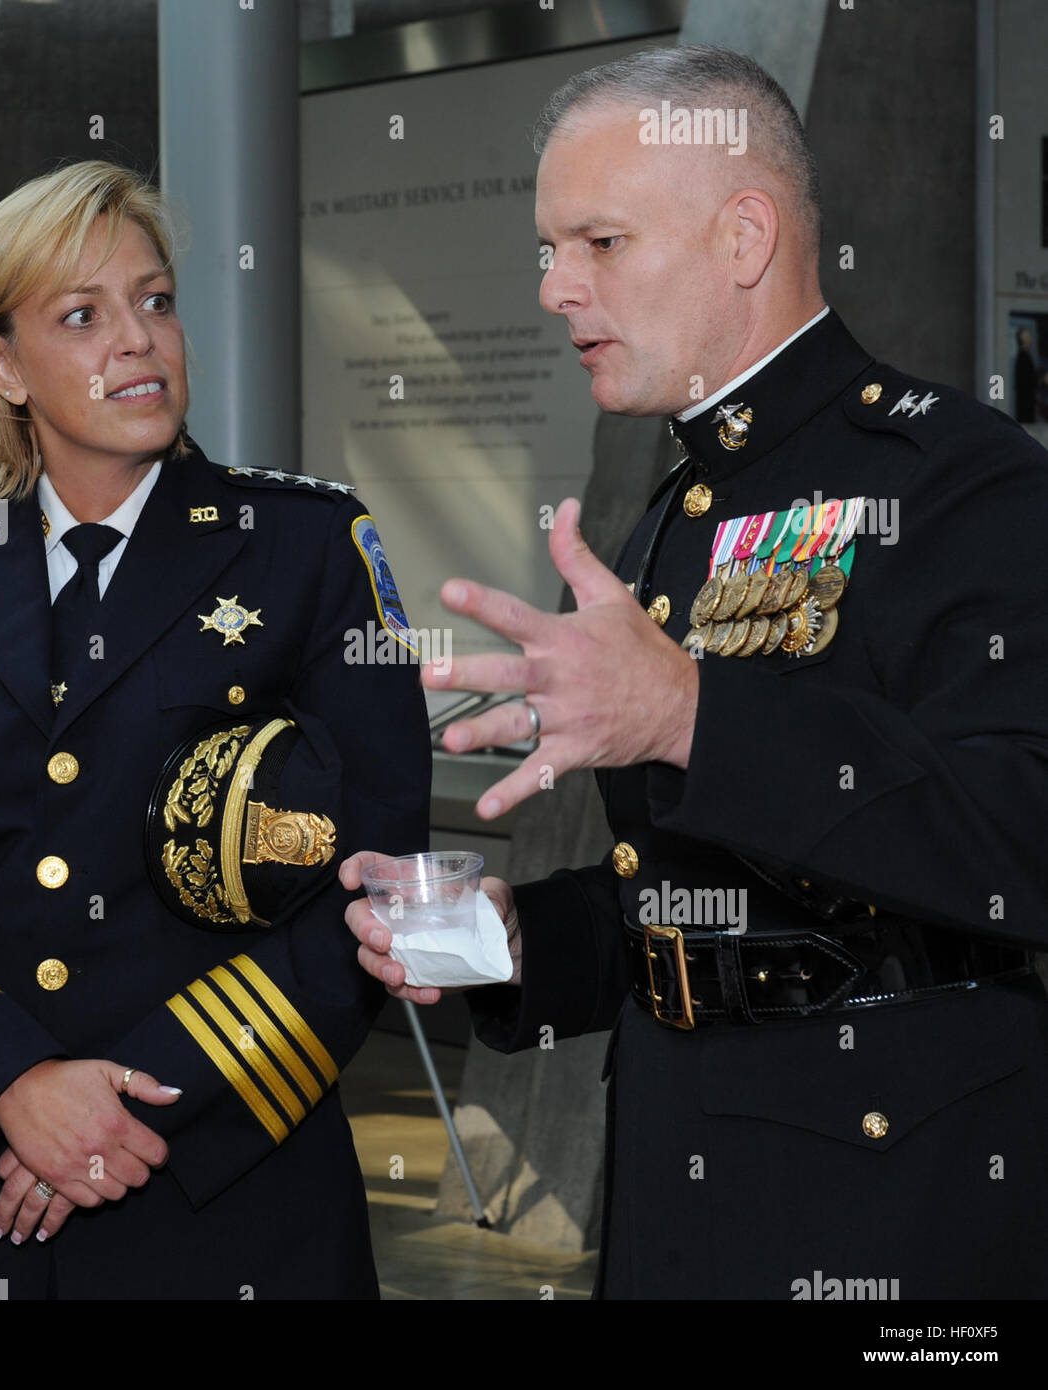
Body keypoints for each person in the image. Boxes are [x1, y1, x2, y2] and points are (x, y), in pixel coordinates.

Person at [344, 46, 1048, 1300]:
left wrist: (685, 711)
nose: (557, 288)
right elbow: (686, 901)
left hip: (890, 1199)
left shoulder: (960, 480)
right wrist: (509, 942)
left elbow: (1020, 839)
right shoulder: (674, 512)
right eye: (548, 249)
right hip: (679, 1177)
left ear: (743, 236)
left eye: (599, 242)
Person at [0, 160, 430, 1299]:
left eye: (156, 301)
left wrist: (126, 1103)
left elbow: (368, 878)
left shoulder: (306, 550)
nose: (138, 339)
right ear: (0, 363)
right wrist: (6, 1083)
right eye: (83, 315)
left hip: (213, 1190)